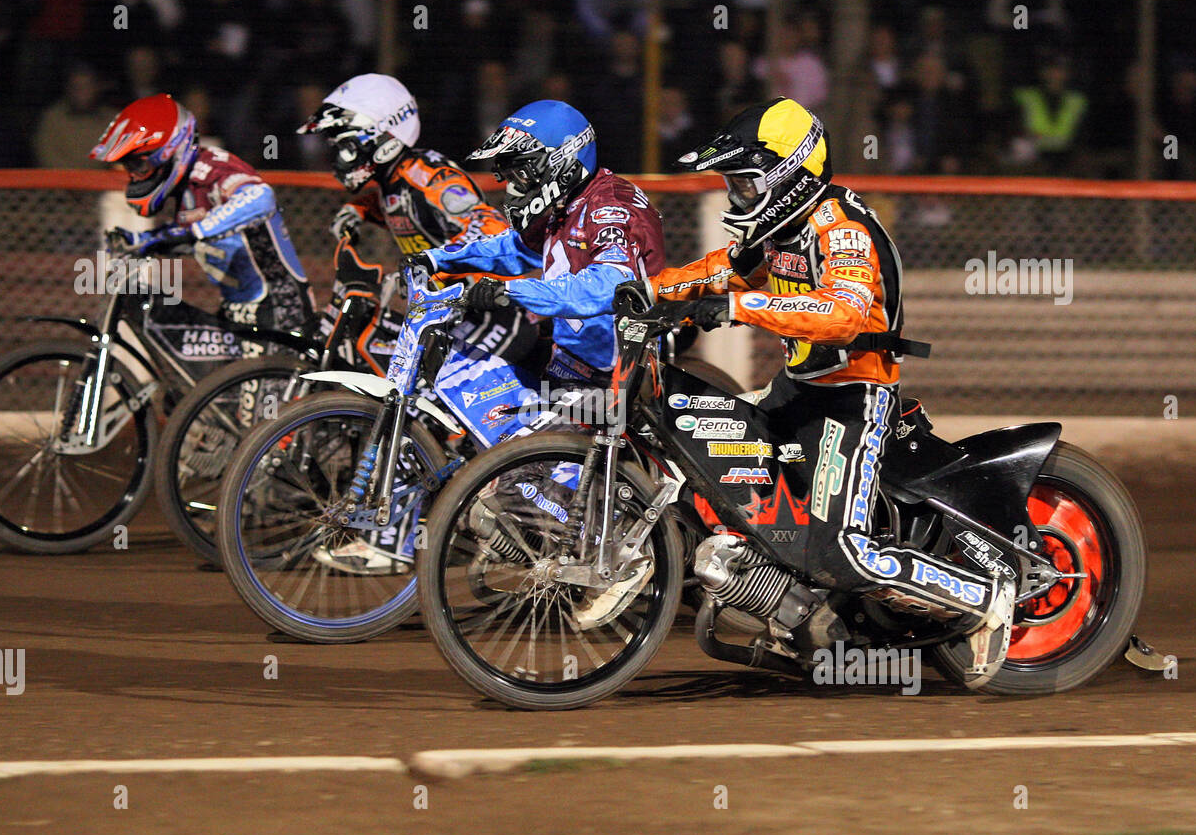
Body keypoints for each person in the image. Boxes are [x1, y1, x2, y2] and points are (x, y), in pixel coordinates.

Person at [638, 98, 1016, 686]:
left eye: (744, 182)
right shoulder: (784, 228)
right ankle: (794, 617)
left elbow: (842, 312)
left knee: (838, 552)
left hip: (854, 398)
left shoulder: (839, 227)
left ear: (789, 175)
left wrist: (738, 306)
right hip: (798, 390)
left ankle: (982, 593)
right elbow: (723, 270)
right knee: (733, 496)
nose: (737, 196)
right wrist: (653, 290)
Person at [404, 99, 665, 391]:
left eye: (521, 174)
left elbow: (607, 287)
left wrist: (511, 290)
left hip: (616, 373)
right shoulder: (568, 202)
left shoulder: (610, 207)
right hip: (572, 359)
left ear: (563, 159)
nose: (514, 188)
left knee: (495, 413)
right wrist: (437, 259)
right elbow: (515, 248)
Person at [295, 73, 529, 363]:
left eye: (347, 147)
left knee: (438, 392)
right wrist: (359, 210)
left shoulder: (428, 175)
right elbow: (404, 208)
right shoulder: (392, 179)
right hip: (450, 311)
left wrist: (435, 262)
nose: (341, 159)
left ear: (382, 136)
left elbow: (491, 227)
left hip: (492, 308)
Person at [90, 92, 314, 343]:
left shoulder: (212, 168)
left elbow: (260, 195)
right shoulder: (185, 190)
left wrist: (195, 231)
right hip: (238, 310)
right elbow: (187, 236)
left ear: (169, 153)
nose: (135, 176)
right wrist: (143, 240)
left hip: (280, 311)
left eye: (138, 165)